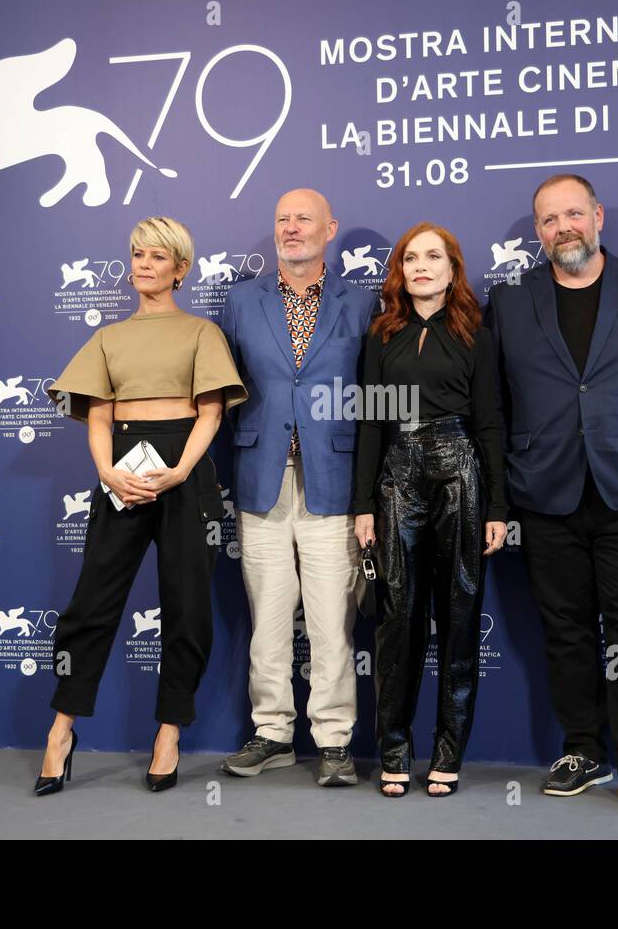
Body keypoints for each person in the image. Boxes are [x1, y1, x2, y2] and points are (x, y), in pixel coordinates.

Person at [486, 175, 618, 814]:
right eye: (550, 220)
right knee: (565, 629)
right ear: (538, 232)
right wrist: (505, 479)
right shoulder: (510, 300)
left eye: (573, 214)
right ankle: (582, 747)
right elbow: (492, 400)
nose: (564, 228)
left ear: (598, 216)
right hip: (545, 490)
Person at [34, 216, 247, 796]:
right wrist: (106, 472)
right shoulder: (108, 337)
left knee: (187, 605)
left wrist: (180, 470)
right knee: (91, 603)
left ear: (180, 269)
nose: (143, 264)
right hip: (121, 471)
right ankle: (60, 730)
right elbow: (98, 417)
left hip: (187, 470)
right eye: (136, 254)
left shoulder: (202, 332)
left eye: (157, 256)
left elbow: (210, 412)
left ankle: (168, 732)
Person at [219, 189, 378, 787]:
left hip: (334, 481)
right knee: (268, 617)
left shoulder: (362, 304)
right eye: (282, 218)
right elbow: (221, 391)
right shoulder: (239, 302)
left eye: (303, 219)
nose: (291, 228)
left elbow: (375, 399)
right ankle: (272, 733)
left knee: (333, 621)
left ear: (328, 228)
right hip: (261, 477)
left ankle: (335, 740)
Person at [352, 222, 508, 798]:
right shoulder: (381, 334)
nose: (421, 266)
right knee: (397, 618)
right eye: (411, 257)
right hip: (396, 474)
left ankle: (448, 752)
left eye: (433, 256)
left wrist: (497, 504)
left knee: (461, 615)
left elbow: (491, 422)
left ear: (452, 269)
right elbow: (369, 421)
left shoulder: (475, 334)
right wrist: (363, 502)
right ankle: (394, 748)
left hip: (459, 470)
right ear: (401, 270)